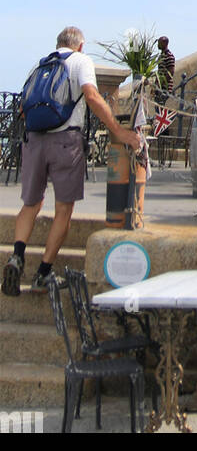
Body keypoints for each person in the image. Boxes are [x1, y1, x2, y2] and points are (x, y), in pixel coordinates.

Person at [2, 26, 142, 296]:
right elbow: (91, 96)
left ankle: (17, 256)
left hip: (34, 140)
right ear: (80, 45)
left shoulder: (39, 64)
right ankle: (43, 273)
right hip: (66, 141)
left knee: (30, 204)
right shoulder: (81, 61)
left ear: (58, 44)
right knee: (63, 210)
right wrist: (118, 131)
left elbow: (22, 108)